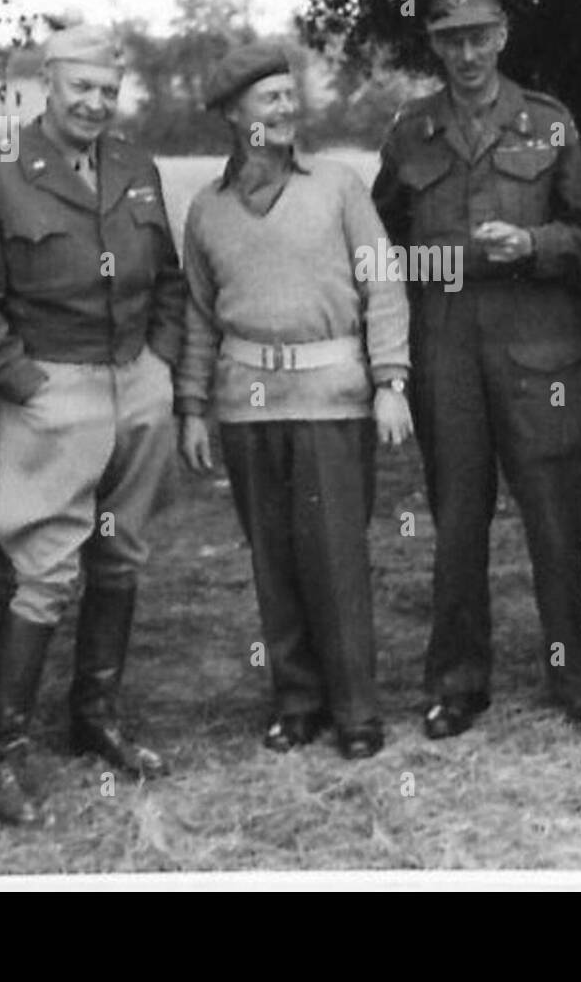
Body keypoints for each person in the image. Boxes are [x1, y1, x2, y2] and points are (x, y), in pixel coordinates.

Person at [0, 21, 185, 826]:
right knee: (45, 573)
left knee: (121, 557)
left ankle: (94, 720)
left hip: (136, 385)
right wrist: (26, 384)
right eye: (82, 86)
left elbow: (170, 282)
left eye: (108, 90)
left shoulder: (135, 167)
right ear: (48, 83)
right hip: (55, 390)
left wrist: (164, 368)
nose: (95, 102)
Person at [372, 0, 581, 739]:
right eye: (450, 40)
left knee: (554, 519)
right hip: (447, 348)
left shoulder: (548, 121)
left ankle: (575, 679)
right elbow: (384, 245)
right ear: (434, 46)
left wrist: (532, 244)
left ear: (502, 36)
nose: (466, 53)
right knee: (458, 520)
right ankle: (457, 683)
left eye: (478, 37)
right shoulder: (412, 129)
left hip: (538, 348)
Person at [176, 42, 413, 760]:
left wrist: (391, 382)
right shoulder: (206, 210)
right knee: (272, 559)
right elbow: (197, 314)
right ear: (230, 115)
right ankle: (296, 701)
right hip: (248, 407)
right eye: (267, 98)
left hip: (332, 400)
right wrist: (192, 406)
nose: (285, 109)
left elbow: (383, 283)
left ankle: (356, 710)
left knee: (334, 558)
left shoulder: (339, 186)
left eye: (288, 95)